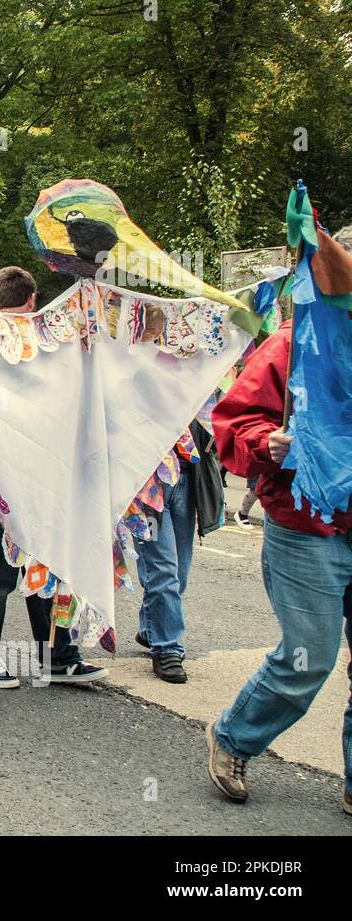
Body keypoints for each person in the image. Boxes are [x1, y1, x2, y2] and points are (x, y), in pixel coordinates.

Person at [206, 320, 352, 812]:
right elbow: (235, 419)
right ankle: (234, 738)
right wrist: (266, 443)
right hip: (307, 525)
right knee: (309, 658)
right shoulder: (296, 339)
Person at [0, 266, 108, 688]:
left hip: (38, 476)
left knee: (51, 563)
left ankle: (59, 656)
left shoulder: (30, 347)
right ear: (29, 304)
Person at [132, 419, 224, 683]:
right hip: (149, 485)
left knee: (179, 573)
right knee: (163, 570)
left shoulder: (204, 380)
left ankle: (151, 628)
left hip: (187, 479)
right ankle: (167, 647)